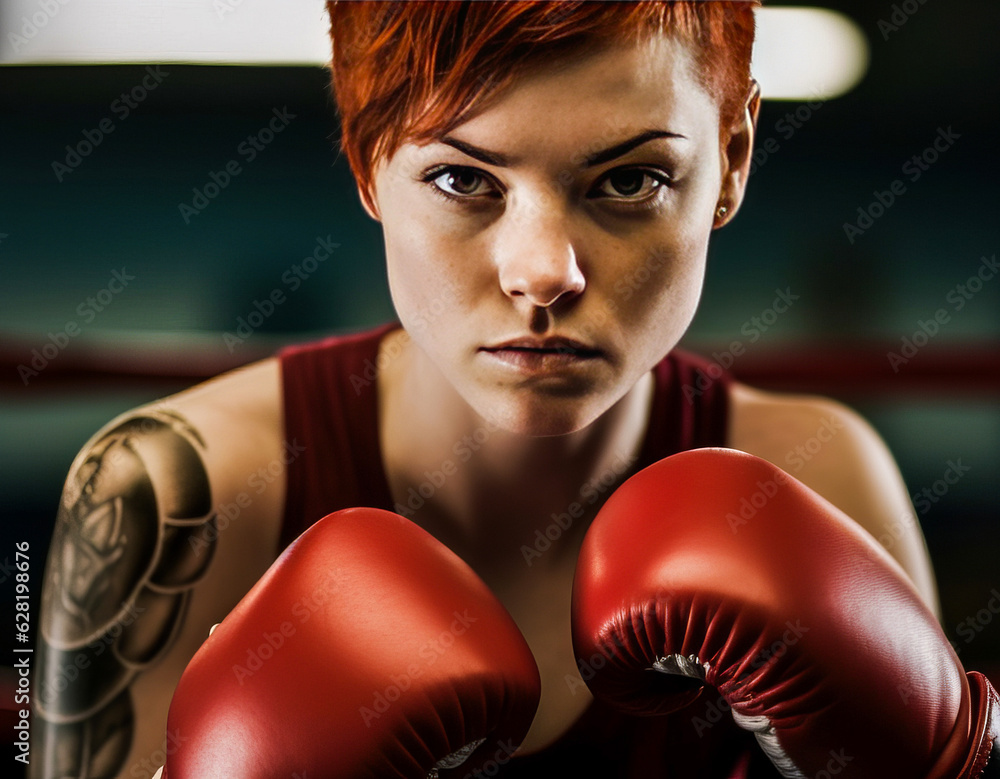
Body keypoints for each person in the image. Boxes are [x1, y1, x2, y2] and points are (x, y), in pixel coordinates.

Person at [33, 2, 988, 777]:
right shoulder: (171, 491)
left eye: (629, 179)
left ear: (732, 160)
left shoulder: (823, 475)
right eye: (461, 179)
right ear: (368, 164)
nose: (544, 272)